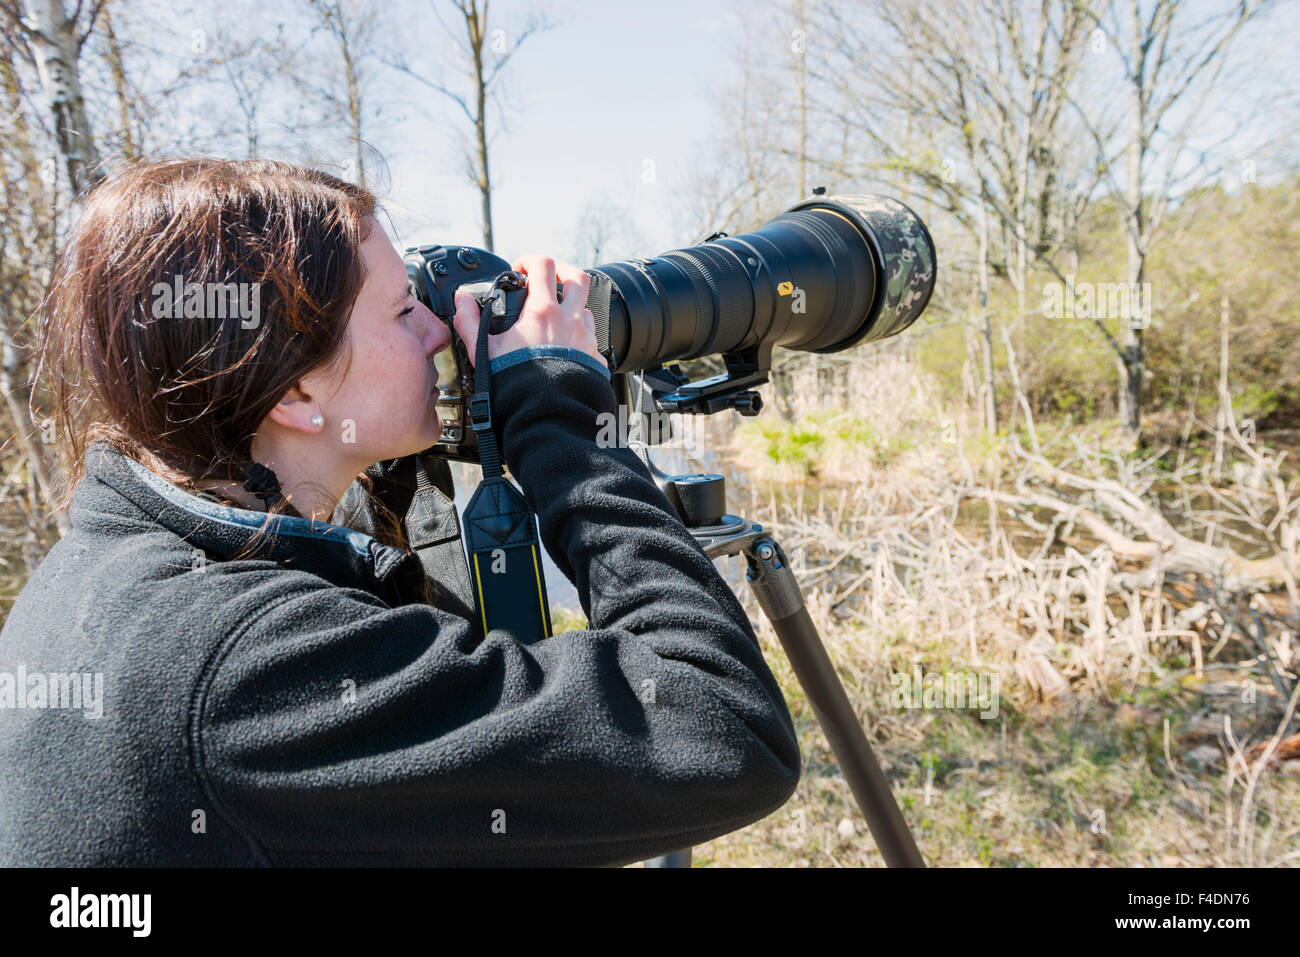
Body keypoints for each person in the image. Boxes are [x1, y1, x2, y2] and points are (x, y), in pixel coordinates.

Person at [0, 157, 801, 866]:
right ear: (295, 392)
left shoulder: (116, 561)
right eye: (399, 311)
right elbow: (725, 727)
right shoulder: (249, 665)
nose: (438, 328)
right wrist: (559, 411)